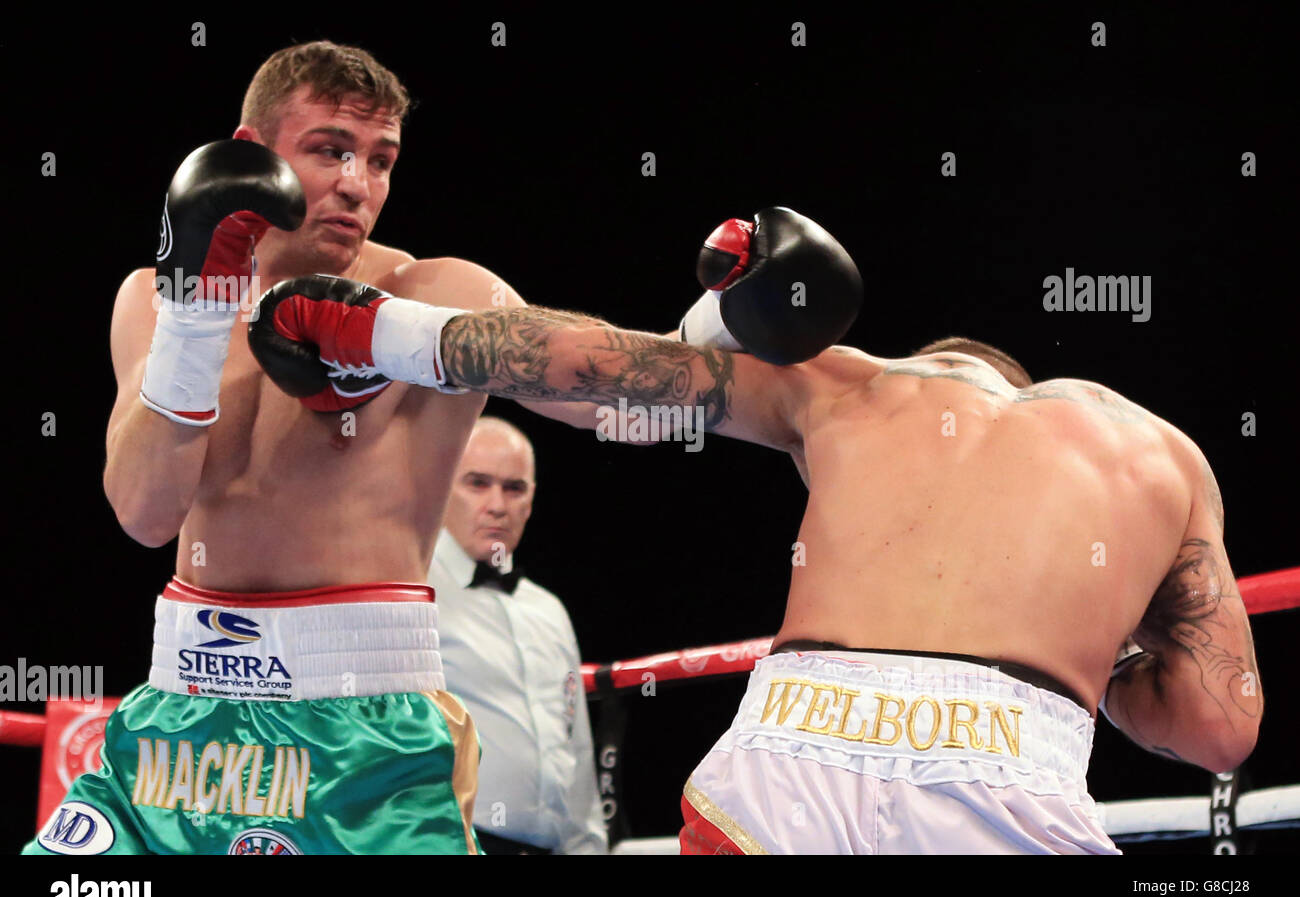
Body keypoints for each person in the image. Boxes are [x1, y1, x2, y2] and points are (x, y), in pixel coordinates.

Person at [247, 206, 1262, 854]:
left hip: (792, 768)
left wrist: (371, 328)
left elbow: (601, 372)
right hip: (1013, 774)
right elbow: (1221, 724)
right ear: (1021, 384)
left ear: (932, 364)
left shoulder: (854, 382)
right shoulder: (1159, 456)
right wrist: (1105, 655)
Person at [27, 40, 531, 855]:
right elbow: (146, 515)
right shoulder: (155, 300)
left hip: (362, 738)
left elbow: (591, 385)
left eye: (381, 159)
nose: (358, 185)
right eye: (332, 150)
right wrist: (197, 316)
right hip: (177, 735)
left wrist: (718, 336)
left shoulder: (436, 295)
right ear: (252, 155)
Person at [429, 417, 606, 854]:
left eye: (514, 488)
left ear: (531, 500)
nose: (497, 505)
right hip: (448, 842)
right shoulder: (413, 586)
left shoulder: (548, 610)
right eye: (478, 483)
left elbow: (577, 748)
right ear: (441, 485)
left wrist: (588, 846)